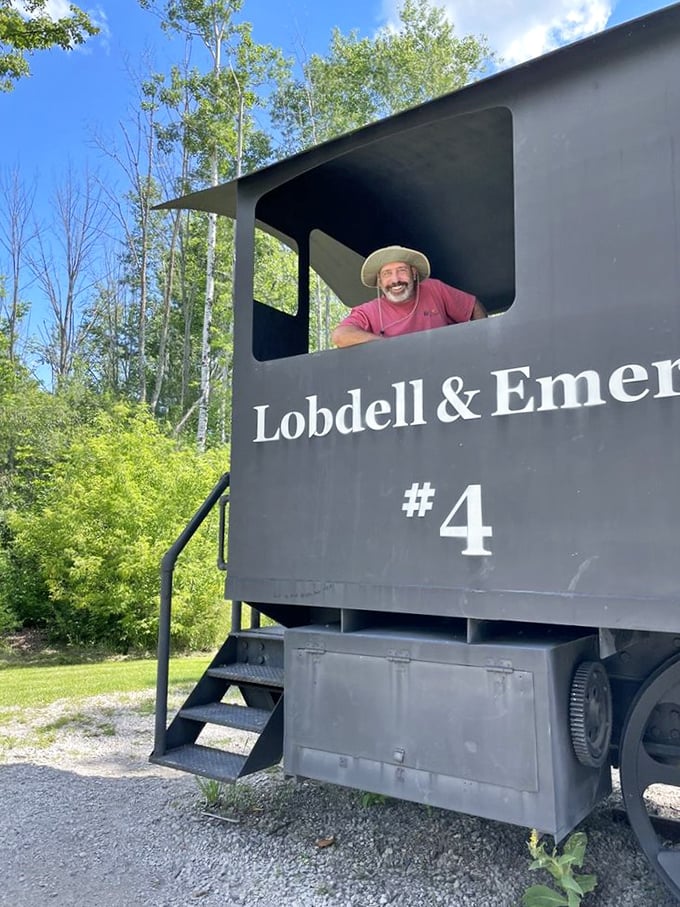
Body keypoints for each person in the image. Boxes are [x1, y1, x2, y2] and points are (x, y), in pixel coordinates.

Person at [331, 245, 487, 348]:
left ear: (413, 273)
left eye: (402, 270)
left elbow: (473, 306)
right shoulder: (368, 311)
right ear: (379, 281)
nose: (395, 280)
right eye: (387, 274)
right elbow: (340, 336)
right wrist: (388, 346)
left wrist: (483, 343)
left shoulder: (434, 289)